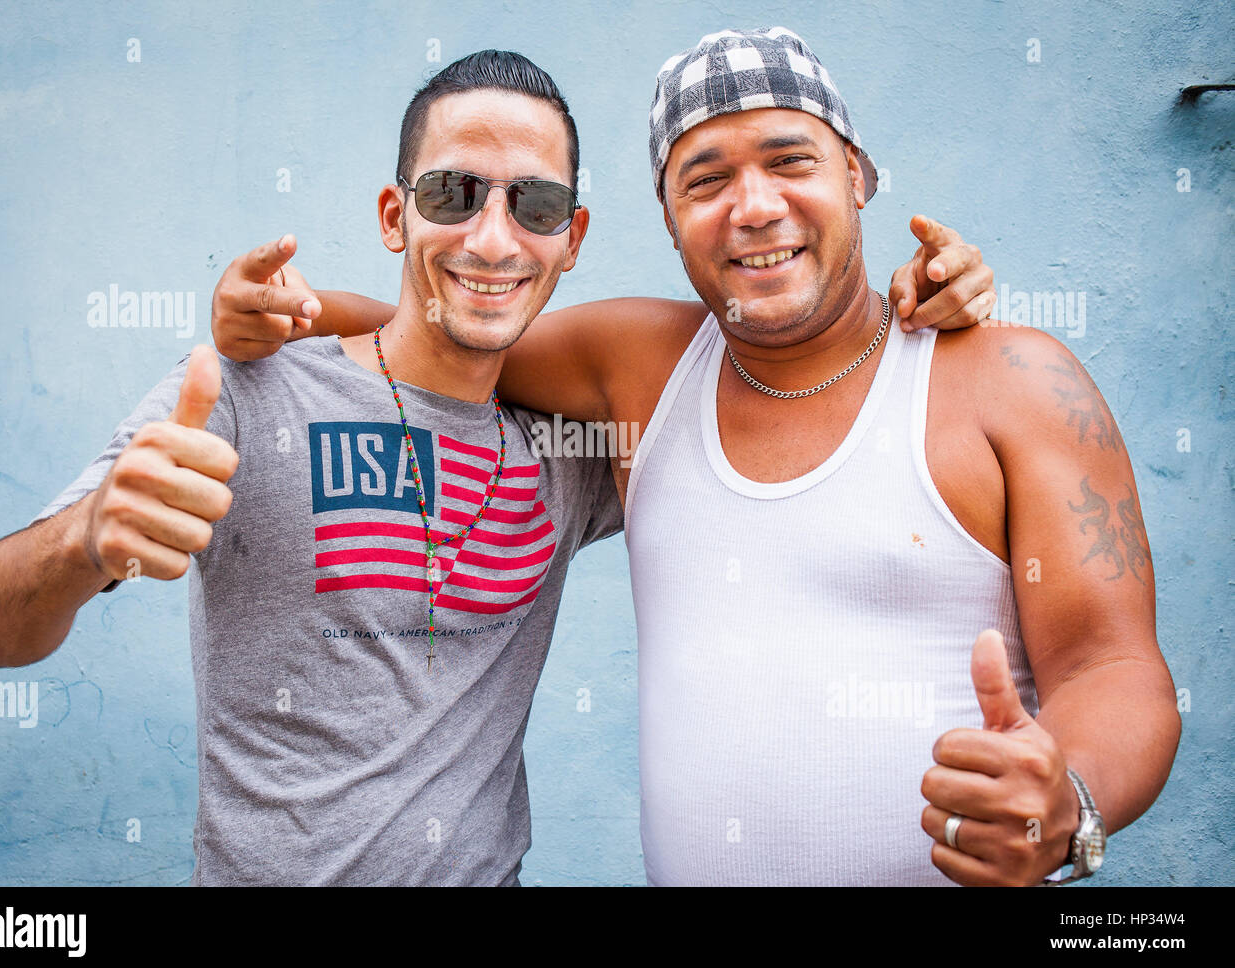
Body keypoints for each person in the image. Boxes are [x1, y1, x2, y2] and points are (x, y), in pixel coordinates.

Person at [0, 48, 995, 886]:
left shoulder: (579, 444)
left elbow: (788, 369)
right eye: (454, 193)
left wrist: (913, 304)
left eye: (534, 206)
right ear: (394, 216)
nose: (494, 238)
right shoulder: (245, 392)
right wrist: (85, 541)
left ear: (571, 237)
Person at [212, 29, 1178, 886]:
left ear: (859, 178)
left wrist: (1070, 806)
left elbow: (1117, 664)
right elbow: (448, 324)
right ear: (670, 221)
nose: (753, 207)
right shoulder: (644, 370)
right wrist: (275, 313)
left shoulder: (1013, 381)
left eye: (790, 160)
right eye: (705, 179)